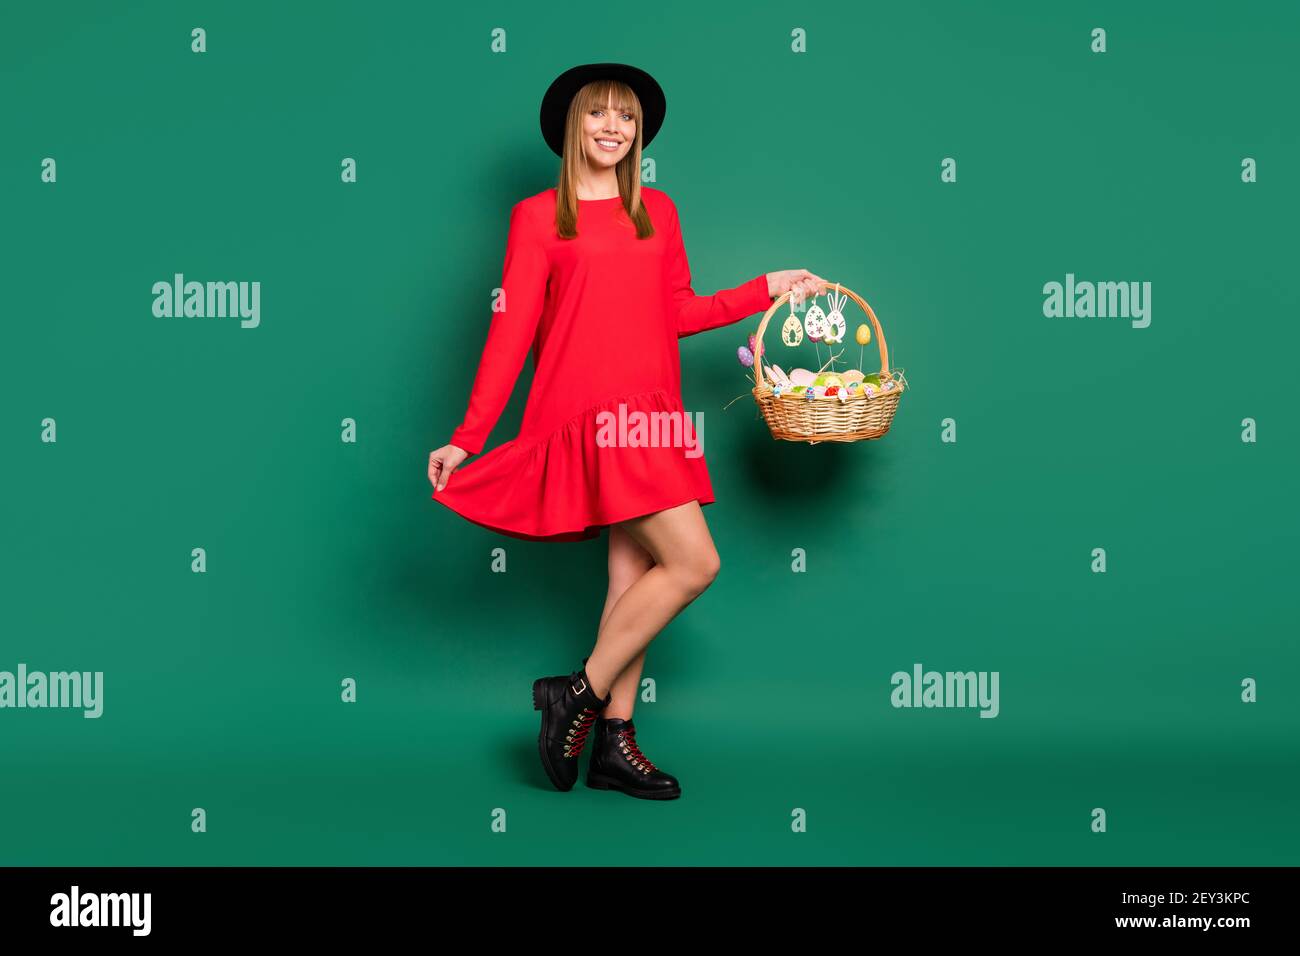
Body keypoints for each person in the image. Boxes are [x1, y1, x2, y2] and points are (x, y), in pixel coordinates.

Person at [428, 62, 826, 799]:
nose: (613, 128)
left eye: (626, 117)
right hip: (590, 418)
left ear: (638, 133)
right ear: (573, 127)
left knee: (632, 576)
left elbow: (677, 311)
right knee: (694, 565)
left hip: (653, 416)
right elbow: (510, 331)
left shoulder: (658, 212)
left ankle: (612, 741)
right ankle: (574, 695)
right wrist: (469, 435)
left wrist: (762, 289)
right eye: (598, 114)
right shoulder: (537, 216)